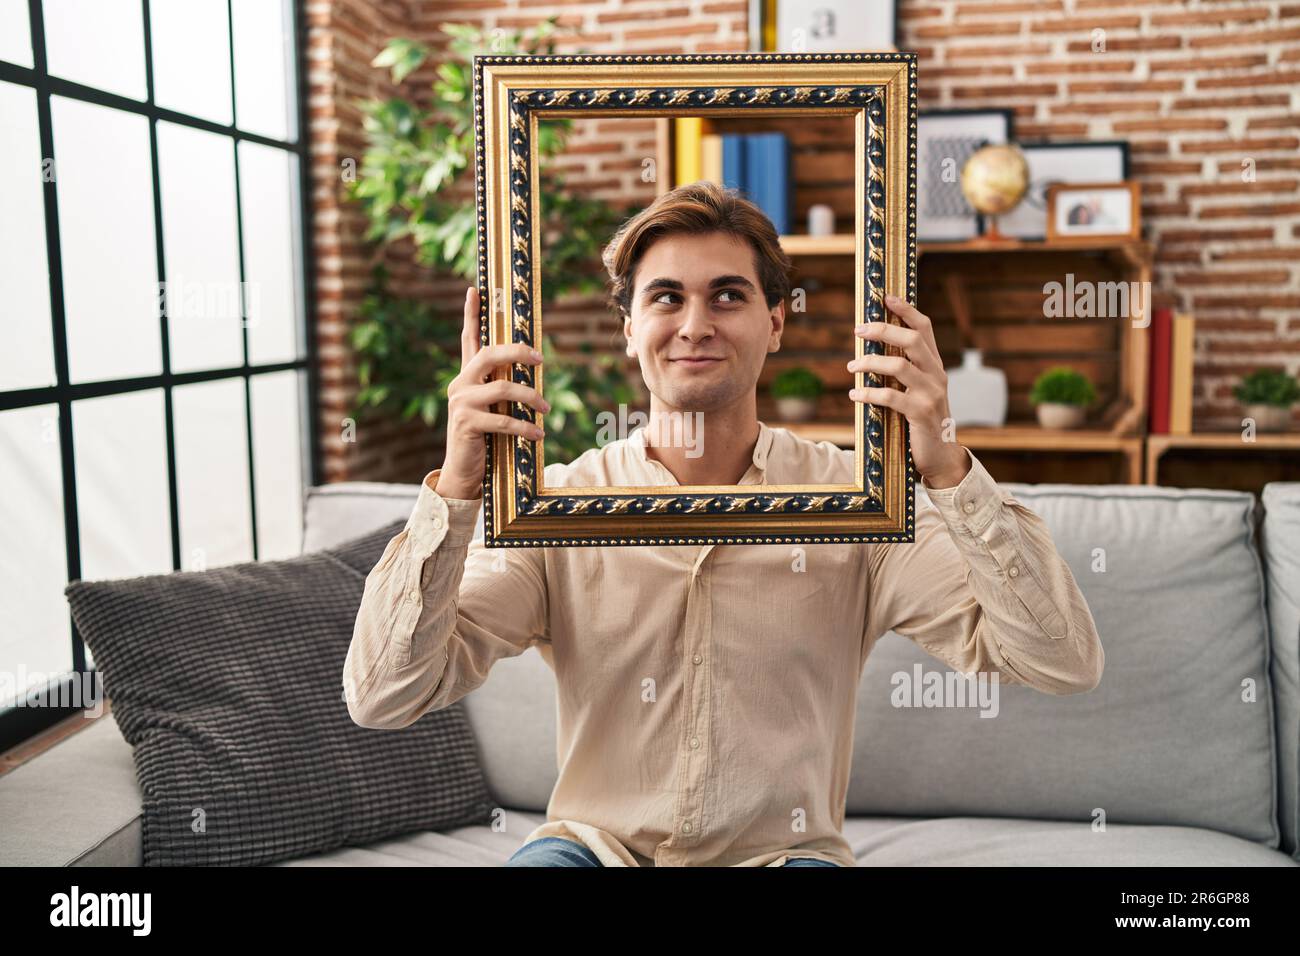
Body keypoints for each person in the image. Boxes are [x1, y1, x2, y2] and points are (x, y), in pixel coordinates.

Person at [342, 181, 1104, 868]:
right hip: (592, 853)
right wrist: (459, 488)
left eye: (729, 296)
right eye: (666, 297)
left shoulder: (856, 501)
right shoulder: (559, 508)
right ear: (629, 326)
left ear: (775, 322)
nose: (695, 324)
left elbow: (1061, 660)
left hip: (786, 856)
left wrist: (946, 468)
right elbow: (382, 696)